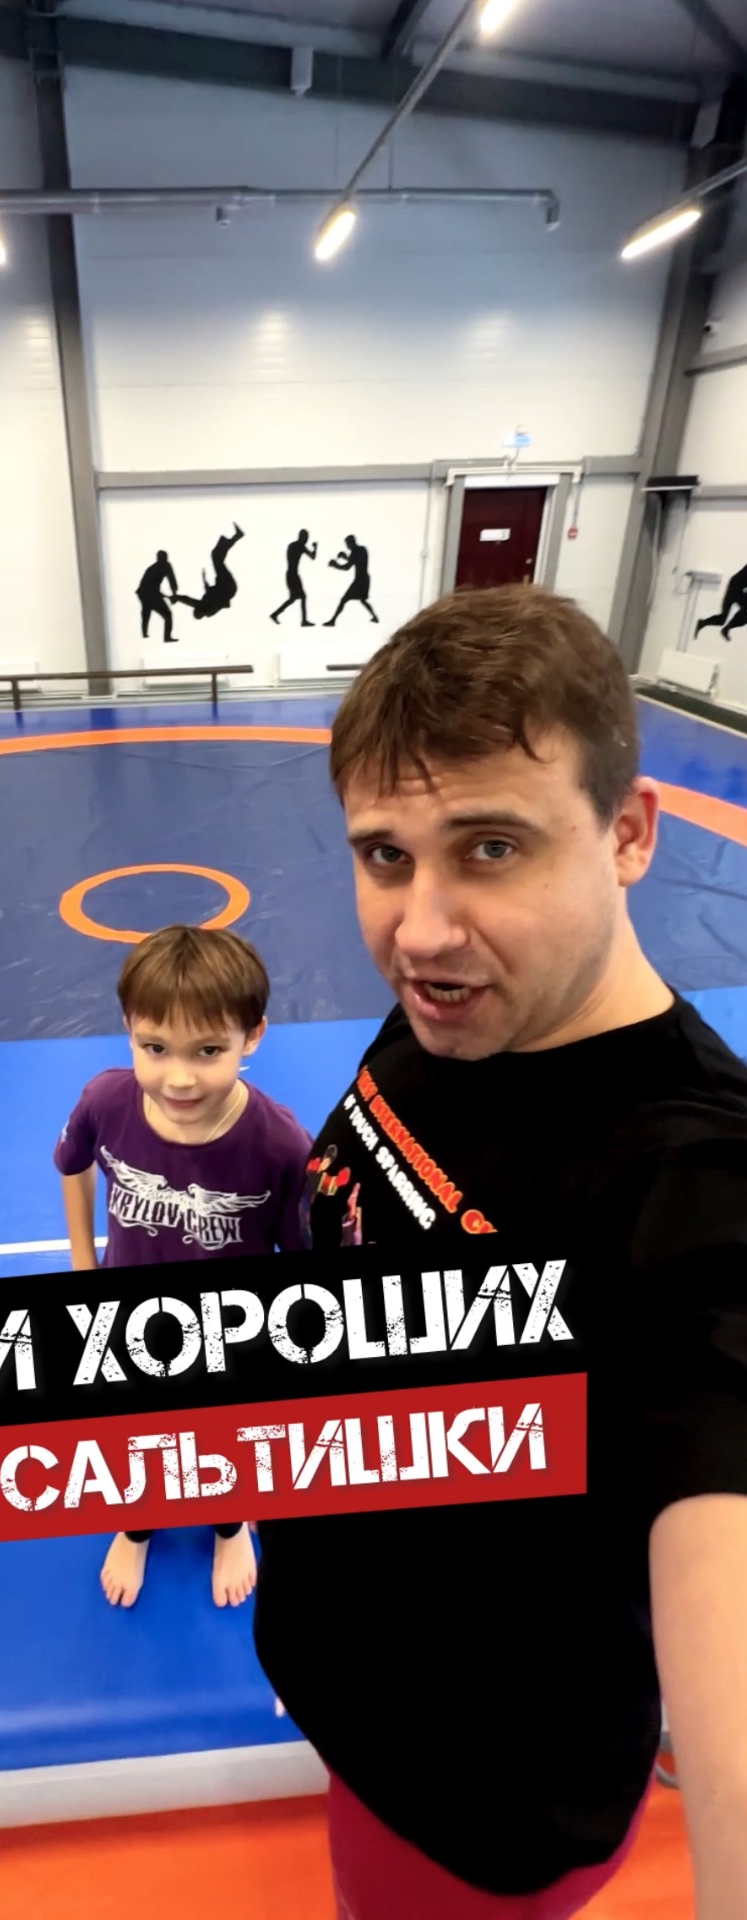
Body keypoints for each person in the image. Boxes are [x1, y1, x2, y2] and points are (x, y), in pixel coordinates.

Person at [253, 584, 747, 1919]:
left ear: (628, 833)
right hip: (357, 1693)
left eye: (489, 847)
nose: (418, 928)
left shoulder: (694, 1183)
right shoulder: (455, 1007)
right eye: (384, 855)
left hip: (466, 1804)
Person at [54, 923, 311, 1610]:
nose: (178, 1077)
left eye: (208, 1051)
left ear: (252, 1037)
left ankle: (228, 1525)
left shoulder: (280, 1146)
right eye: (155, 1047)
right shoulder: (106, 1102)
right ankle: (137, 1525)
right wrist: (82, 1265)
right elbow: (72, 1165)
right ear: (128, 1029)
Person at [172, 524, 244, 620]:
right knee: (216, 557)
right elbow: (189, 600)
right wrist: (176, 597)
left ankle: (236, 536)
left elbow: (193, 599)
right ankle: (237, 536)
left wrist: (204, 581)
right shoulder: (208, 608)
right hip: (227, 587)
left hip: (226, 586)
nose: (198, 606)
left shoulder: (206, 605)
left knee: (216, 556)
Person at [324, 534, 378, 627]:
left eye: (347, 544)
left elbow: (347, 567)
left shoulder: (355, 551)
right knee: (362, 600)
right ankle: (375, 617)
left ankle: (333, 621)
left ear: (350, 543)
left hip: (359, 580)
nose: (347, 546)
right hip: (365, 578)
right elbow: (356, 561)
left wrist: (335, 565)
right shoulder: (362, 549)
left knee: (344, 600)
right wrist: (345, 557)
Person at [271, 530, 318, 626]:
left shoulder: (292, 545)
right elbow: (313, 557)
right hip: (293, 575)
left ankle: (275, 614)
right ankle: (303, 621)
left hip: (291, 574)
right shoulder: (300, 546)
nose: (307, 540)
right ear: (302, 537)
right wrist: (315, 548)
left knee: (293, 598)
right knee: (301, 597)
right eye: (306, 538)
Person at [695, 560, 747, 641]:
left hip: (735, 588)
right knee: (723, 619)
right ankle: (725, 628)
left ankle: (703, 623)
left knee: (722, 619)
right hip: (735, 588)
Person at [137, 550, 179, 644]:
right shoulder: (160, 567)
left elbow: (171, 581)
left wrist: (173, 594)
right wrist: (173, 595)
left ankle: (145, 634)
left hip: (146, 594)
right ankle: (165, 637)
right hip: (147, 594)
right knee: (166, 614)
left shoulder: (156, 567)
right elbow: (171, 581)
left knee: (146, 613)